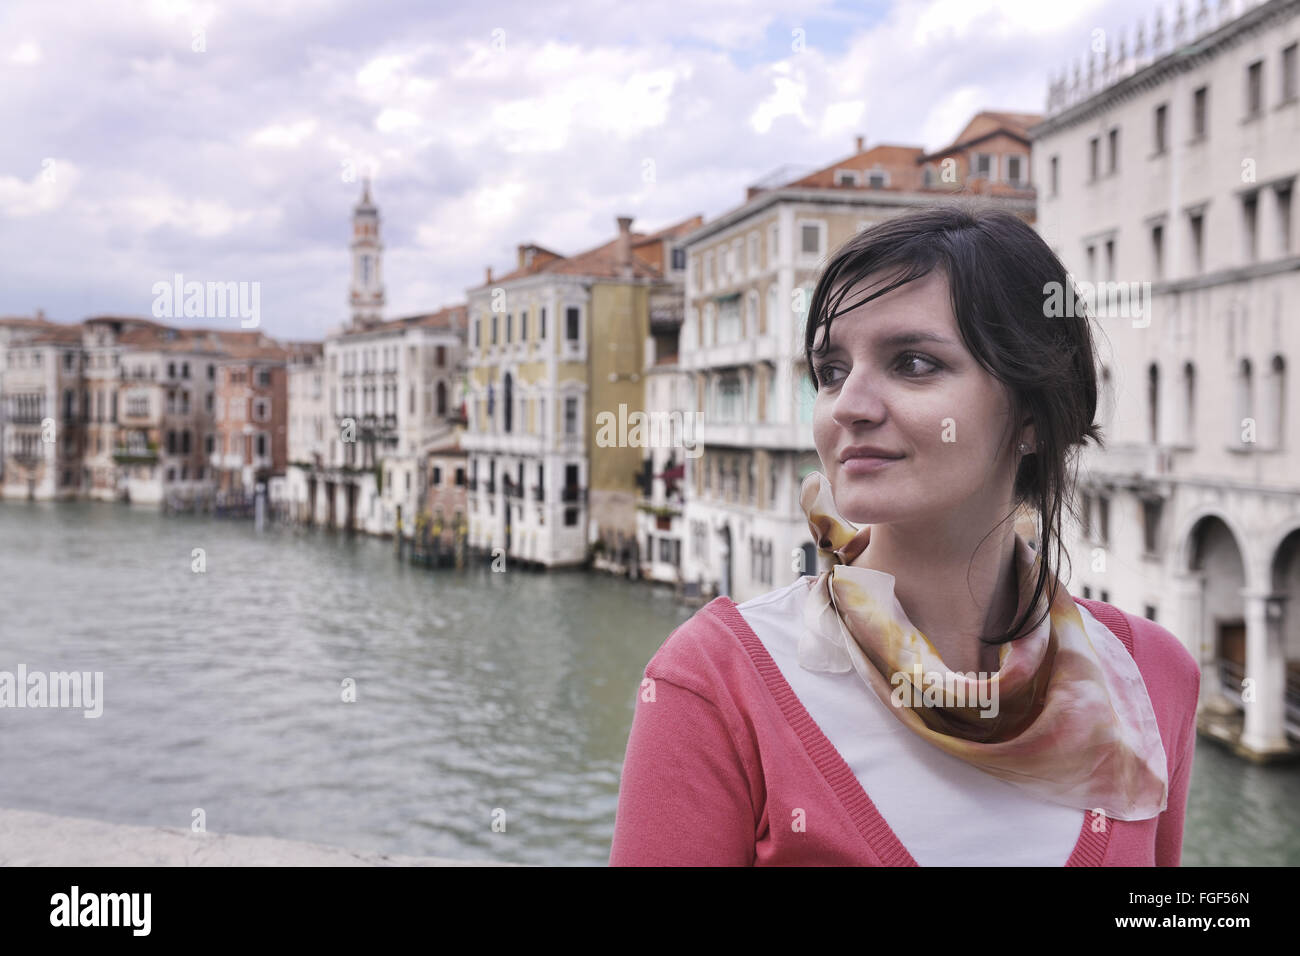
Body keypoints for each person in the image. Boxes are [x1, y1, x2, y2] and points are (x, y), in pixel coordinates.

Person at [608, 203, 1200, 866]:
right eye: (831, 371)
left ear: (1033, 413)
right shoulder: (713, 684)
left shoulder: (1154, 676)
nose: (848, 408)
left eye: (912, 363)